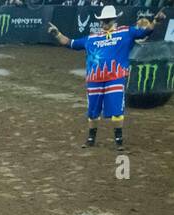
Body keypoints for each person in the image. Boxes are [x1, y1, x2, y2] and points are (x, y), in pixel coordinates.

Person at [49, 5, 168, 150]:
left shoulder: (125, 32)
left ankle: (118, 140)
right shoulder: (92, 38)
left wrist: (155, 21)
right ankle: (91, 138)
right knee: (93, 111)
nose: (105, 22)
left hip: (115, 77)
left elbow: (145, 32)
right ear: (101, 21)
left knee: (117, 110)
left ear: (114, 20)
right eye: (104, 20)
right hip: (94, 79)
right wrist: (57, 33)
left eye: (108, 19)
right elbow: (70, 43)